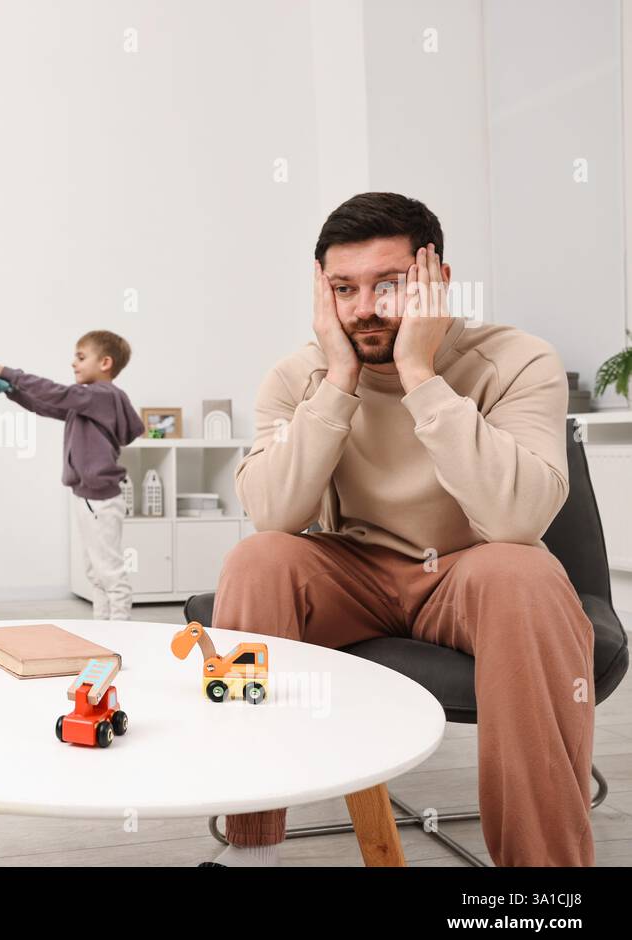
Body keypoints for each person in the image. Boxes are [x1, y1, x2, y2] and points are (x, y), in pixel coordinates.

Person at [204, 191, 593, 867]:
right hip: (350, 573)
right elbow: (274, 512)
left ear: (436, 280)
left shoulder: (519, 360)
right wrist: (339, 380)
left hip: (468, 573)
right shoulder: (299, 374)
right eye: (343, 289)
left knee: (523, 572)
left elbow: (517, 520)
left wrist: (419, 371)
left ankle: (542, 886)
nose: (363, 308)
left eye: (388, 285)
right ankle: (252, 848)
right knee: (257, 560)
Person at [0, 331, 145, 620]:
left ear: (105, 363)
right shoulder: (88, 403)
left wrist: (9, 373)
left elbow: (59, 393)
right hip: (88, 498)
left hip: (100, 501)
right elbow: (48, 405)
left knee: (109, 570)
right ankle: (103, 627)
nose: (73, 364)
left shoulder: (102, 396)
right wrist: (10, 389)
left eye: (81, 357)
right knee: (95, 570)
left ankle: (121, 630)